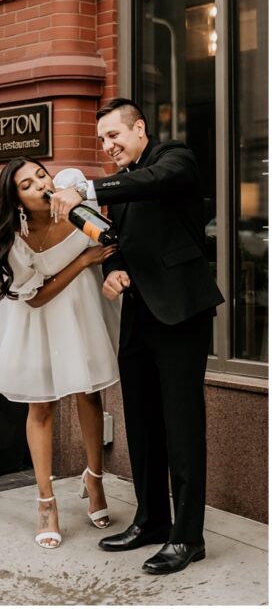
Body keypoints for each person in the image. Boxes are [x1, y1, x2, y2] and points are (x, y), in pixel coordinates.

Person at [50, 98, 224, 575]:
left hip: (181, 313)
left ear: (140, 129)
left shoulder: (174, 158)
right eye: (102, 140)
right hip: (139, 315)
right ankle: (151, 521)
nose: (108, 145)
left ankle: (187, 537)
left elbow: (155, 182)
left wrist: (85, 187)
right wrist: (114, 269)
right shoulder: (121, 184)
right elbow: (118, 243)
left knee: (182, 427)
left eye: (114, 135)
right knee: (143, 425)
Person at [0, 158, 120, 550]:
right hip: (36, 319)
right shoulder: (14, 242)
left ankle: (94, 480)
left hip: (80, 312)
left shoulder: (73, 196)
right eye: (27, 184)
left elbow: (102, 212)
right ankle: (45, 502)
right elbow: (35, 298)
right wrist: (84, 260)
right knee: (41, 407)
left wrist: (78, 199)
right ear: (16, 201)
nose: (40, 184)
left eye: (41, 175)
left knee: (89, 394)